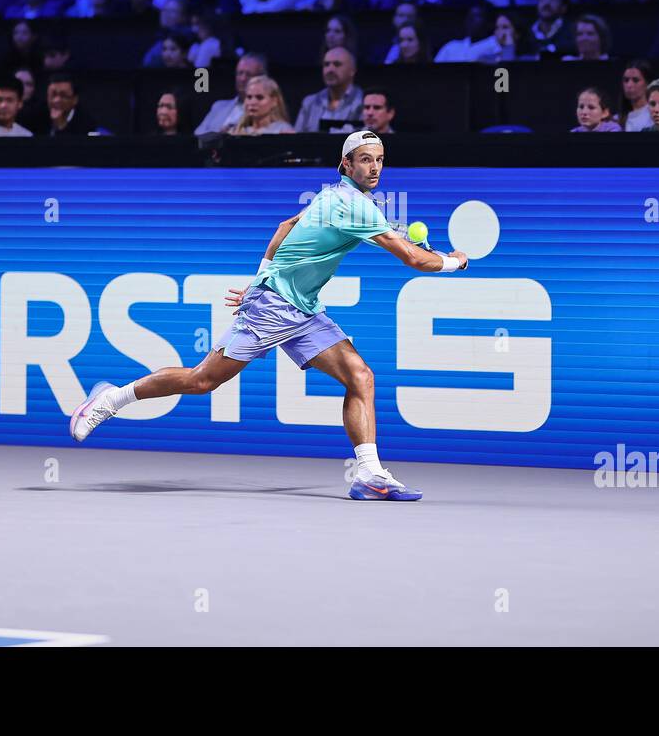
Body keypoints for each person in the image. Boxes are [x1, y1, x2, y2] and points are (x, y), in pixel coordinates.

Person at [68, 130, 472, 501]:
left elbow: (285, 225)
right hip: (274, 308)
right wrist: (455, 262)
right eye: (365, 159)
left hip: (304, 310)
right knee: (203, 380)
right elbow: (412, 258)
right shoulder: (353, 205)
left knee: (360, 376)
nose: (375, 167)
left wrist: (262, 274)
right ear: (346, 165)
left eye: (380, 159)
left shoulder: (333, 196)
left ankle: (368, 474)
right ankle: (111, 399)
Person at [195, 53, 268, 135]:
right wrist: (219, 135)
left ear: (261, 78)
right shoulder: (219, 106)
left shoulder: (265, 111)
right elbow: (197, 134)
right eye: (240, 73)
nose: (242, 79)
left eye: (248, 74)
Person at [294, 47, 363, 132]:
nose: (330, 70)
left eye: (337, 64)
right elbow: (296, 138)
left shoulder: (364, 102)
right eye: (326, 64)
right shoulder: (309, 102)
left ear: (352, 70)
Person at [230, 76, 294, 135]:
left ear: (274, 101)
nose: (252, 102)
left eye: (259, 97)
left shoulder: (284, 131)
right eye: (249, 97)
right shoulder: (236, 132)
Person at [620, 59, 655, 132]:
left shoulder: (655, 113)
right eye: (626, 80)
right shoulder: (618, 118)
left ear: (648, 83)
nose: (629, 85)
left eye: (635, 80)